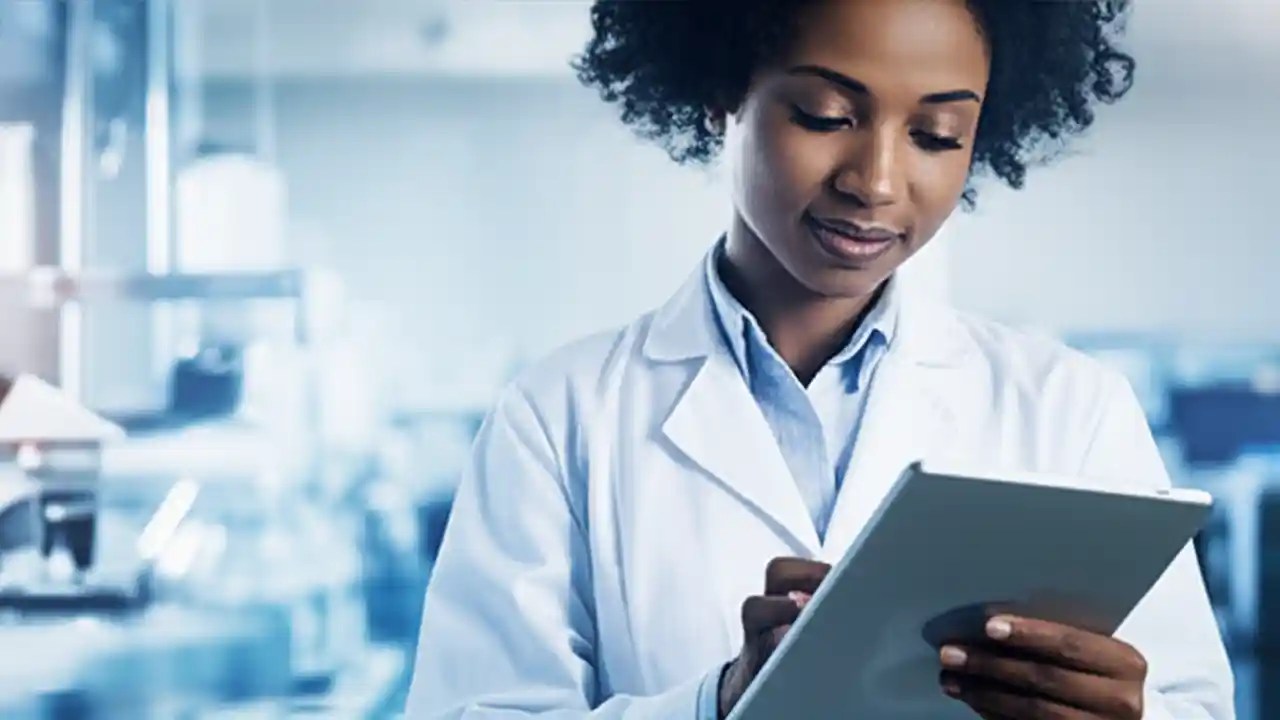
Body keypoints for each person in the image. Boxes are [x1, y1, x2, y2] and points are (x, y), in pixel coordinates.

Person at [405, 1, 1235, 718]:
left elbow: (1191, 704)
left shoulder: (1070, 408)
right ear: (723, 89)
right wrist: (719, 702)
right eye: (826, 115)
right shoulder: (560, 416)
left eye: (936, 135)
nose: (877, 182)